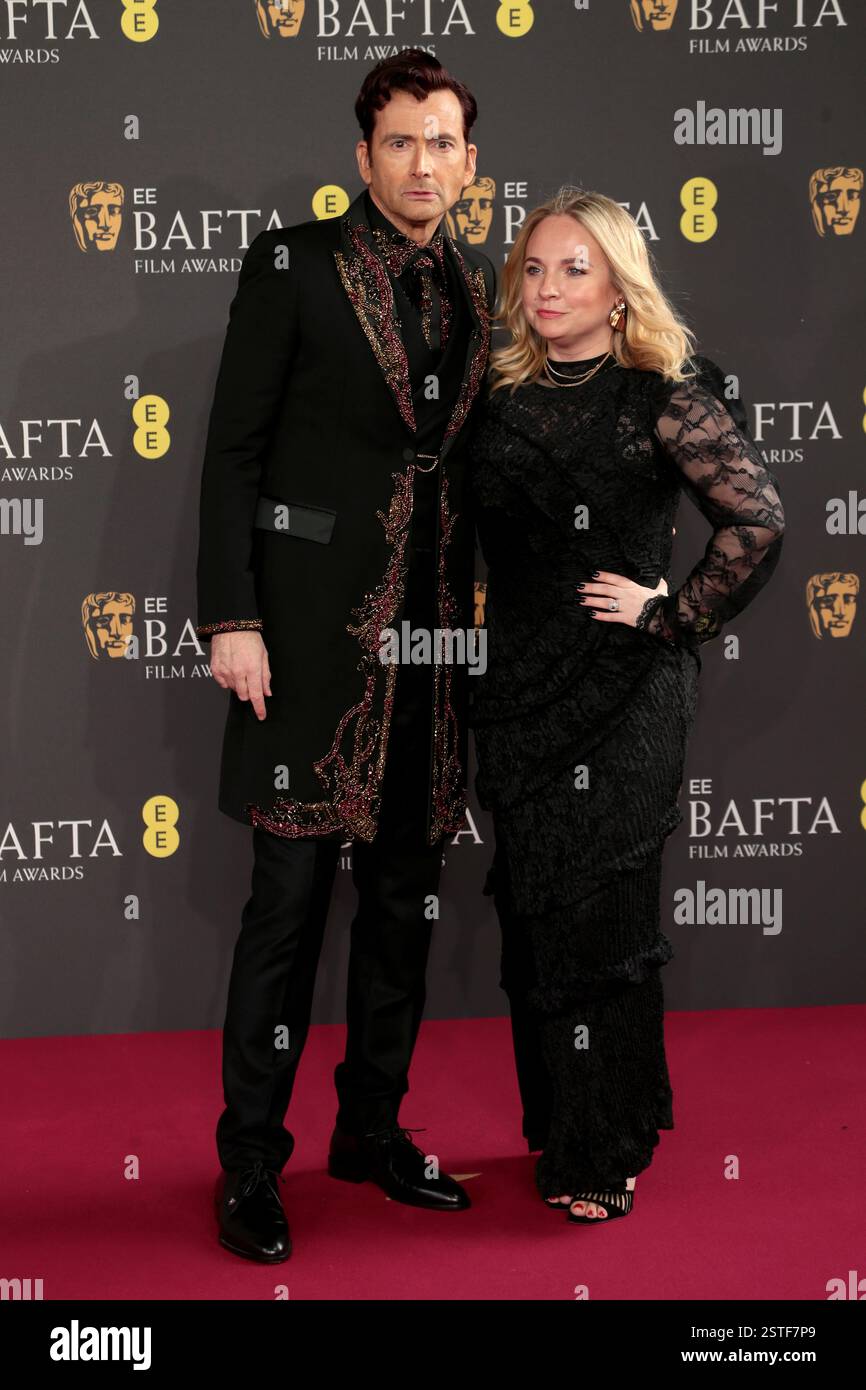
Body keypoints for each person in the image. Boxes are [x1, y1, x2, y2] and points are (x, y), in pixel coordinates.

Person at [195, 49, 496, 1262]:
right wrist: (231, 616)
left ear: (469, 163)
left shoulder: (480, 285)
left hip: (432, 648)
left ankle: (370, 1130)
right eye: (400, 141)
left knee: (403, 907)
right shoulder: (291, 265)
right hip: (307, 640)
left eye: (442, 142)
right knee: (284, 911)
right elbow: (231, 452)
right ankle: (249, 1165)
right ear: (362, 156)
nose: (422, 162)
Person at [466, 187, 786, 1224]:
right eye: (534, 268)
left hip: (625, 695)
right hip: (520, 695)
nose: (547, 287)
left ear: (617, 288)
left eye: (575, 269)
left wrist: (670, 614)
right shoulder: (497, 397)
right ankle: (579, 1121)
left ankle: (605, 1149)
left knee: (603, 919)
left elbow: (755, 521)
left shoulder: (663, 393)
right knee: (537, 921)